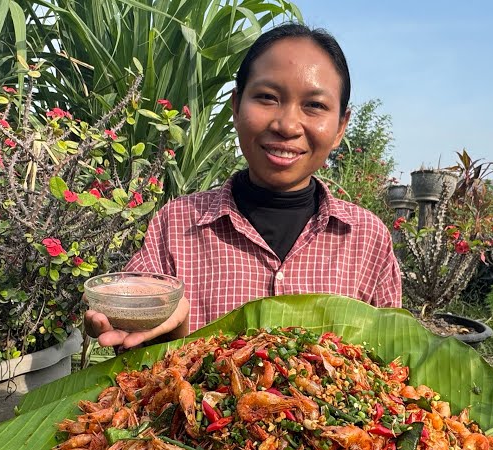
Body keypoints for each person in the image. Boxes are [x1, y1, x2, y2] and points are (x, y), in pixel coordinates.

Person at [86, 23, 401, 350]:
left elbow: (393, 360)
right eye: (267, 97)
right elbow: (134, 345)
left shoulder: (367, 239)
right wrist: (166, 332)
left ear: (340, 127)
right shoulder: (176, 224)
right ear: (236, 106)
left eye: (315, 105)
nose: (287, 125)